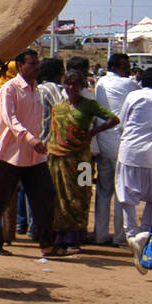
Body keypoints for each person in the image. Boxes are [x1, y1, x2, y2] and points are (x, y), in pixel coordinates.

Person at [0, 50, 56, 257]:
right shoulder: (9, 88)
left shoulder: (36, 89)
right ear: (20, 66)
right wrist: (31, 139)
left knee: (44, 197)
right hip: (11, 153)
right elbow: (10, 119)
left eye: (37, 63)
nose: (37, 67)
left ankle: (47, 245)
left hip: (34, 155)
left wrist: (38, 141)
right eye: (32, 63)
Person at [46, 69, 118, 255]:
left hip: (84, 161)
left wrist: (93, 132)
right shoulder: (59, 107)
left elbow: (113, 119)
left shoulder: (89, 105)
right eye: (68, 84)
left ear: (82, 86)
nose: (71, 88)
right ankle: (61, 238)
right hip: (58, 160)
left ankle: (76, 237)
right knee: (58, 197)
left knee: (82, 195)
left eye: (75, 84)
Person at [116, 67, 152, 250]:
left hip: (130, 152)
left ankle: (131, 234)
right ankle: (144, 232)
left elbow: (122, 122)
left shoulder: (134, 96)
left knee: (126, 195)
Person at [92, 53, 139, 246]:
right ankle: (120, 236)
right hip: (120, 142)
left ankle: (100, 233)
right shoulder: (129, 84)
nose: (128, 68)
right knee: (122, 191)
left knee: (103, 191)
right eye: (126, 65)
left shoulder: (100, 83)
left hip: (102, 142)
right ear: (118, 67)